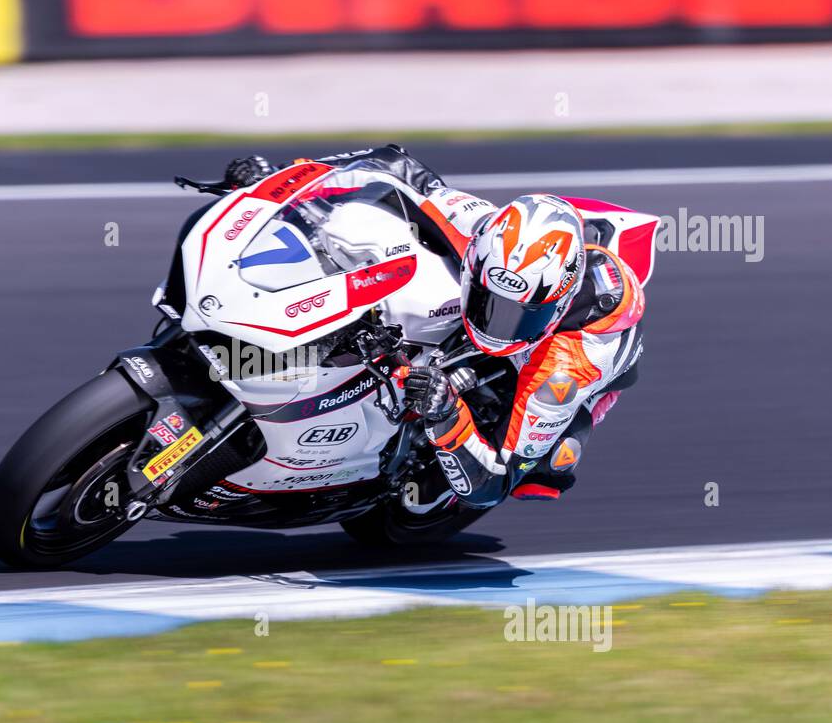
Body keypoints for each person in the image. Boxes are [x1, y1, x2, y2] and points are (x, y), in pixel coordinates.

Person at [221, 145, 645, 508]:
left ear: (560, 300)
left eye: (521, 314)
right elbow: (393, 165)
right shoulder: (476, 226)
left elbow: (495, 482)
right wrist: (282, 179)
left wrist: (445, 413)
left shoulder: (568, 364)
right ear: (477, 258)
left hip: (570, 355)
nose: (500, 324)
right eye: (488, 302)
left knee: (544, 467)